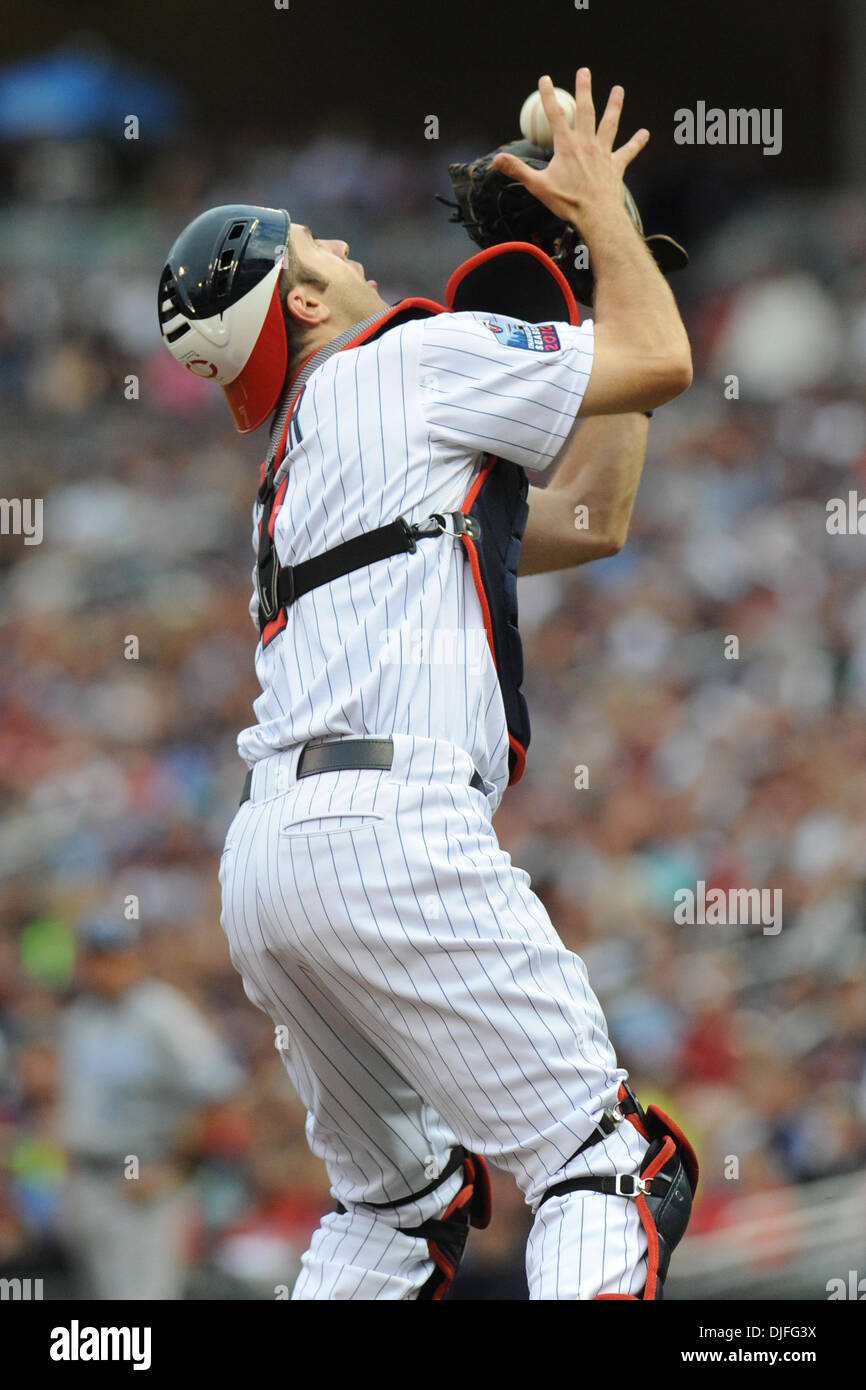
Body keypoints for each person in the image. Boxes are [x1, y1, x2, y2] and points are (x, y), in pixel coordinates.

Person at [158, 70, 696, 1300]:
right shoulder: (401, 364)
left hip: (271, 867)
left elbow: (591, 516)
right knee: (600, 1164)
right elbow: (659, 354)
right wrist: (604, 207)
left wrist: (589, 276)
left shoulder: (304, 462)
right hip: (388, 827)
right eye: (314, 245)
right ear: (296, 297)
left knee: (400, 1208)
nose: (341, 244)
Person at [58, 913, 244, 1299]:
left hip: (145, 1181)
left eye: (112, 956)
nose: (102, 968)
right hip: (89, 1179)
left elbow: (219, 1092)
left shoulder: (163, 1013)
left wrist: (172, 1169)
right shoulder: (80, 1016)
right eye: (94, 957)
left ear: (134, 957)